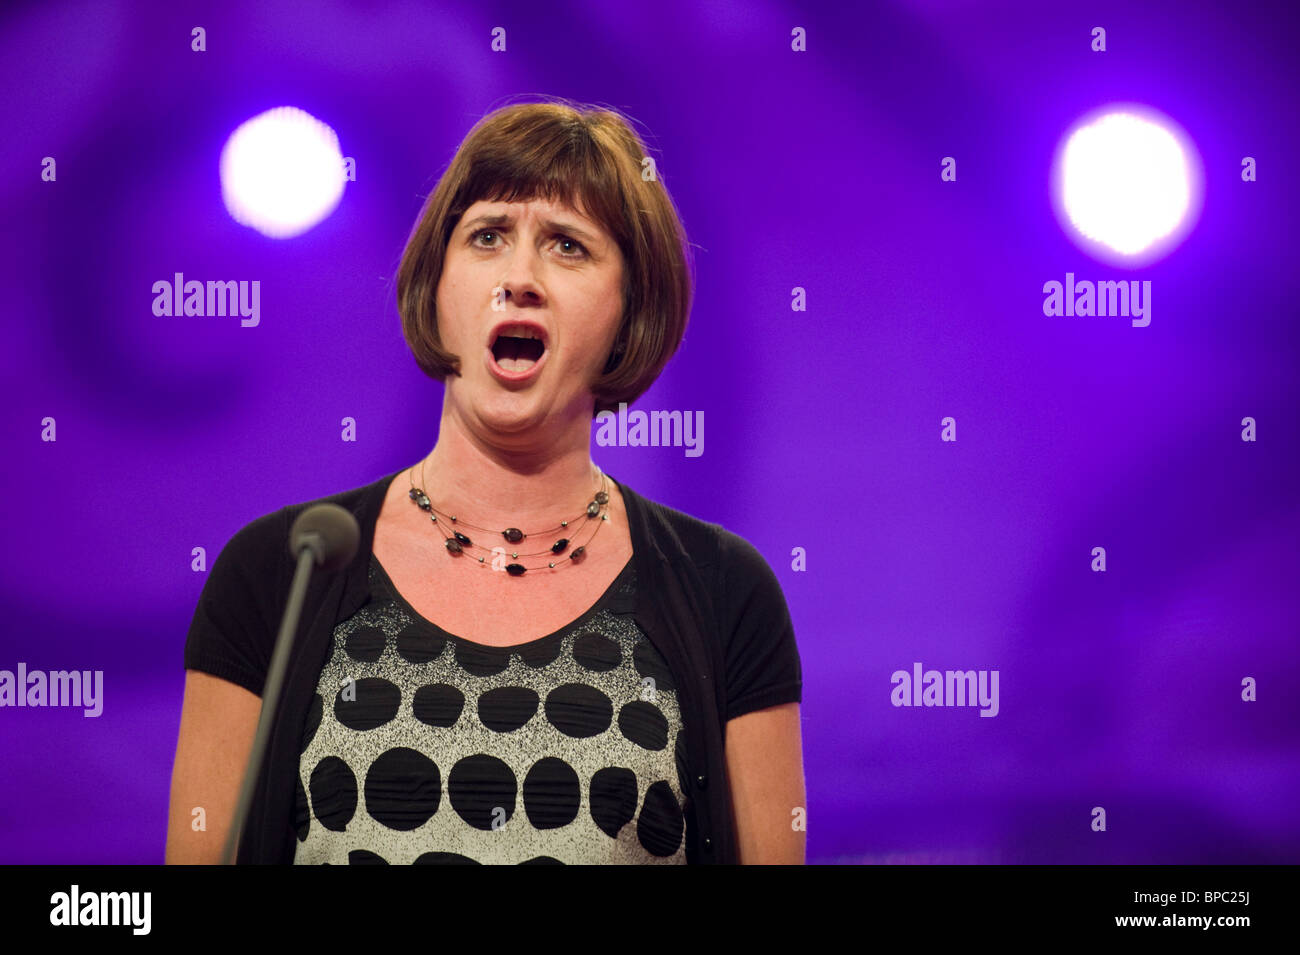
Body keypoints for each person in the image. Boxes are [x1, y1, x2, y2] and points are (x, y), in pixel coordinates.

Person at [166, 96, 804, 865]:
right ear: (437, 292)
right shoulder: (283, 571)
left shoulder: (721, 590)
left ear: (628, 315)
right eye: (488, 236)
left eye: (568, 246)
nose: (520, 277)